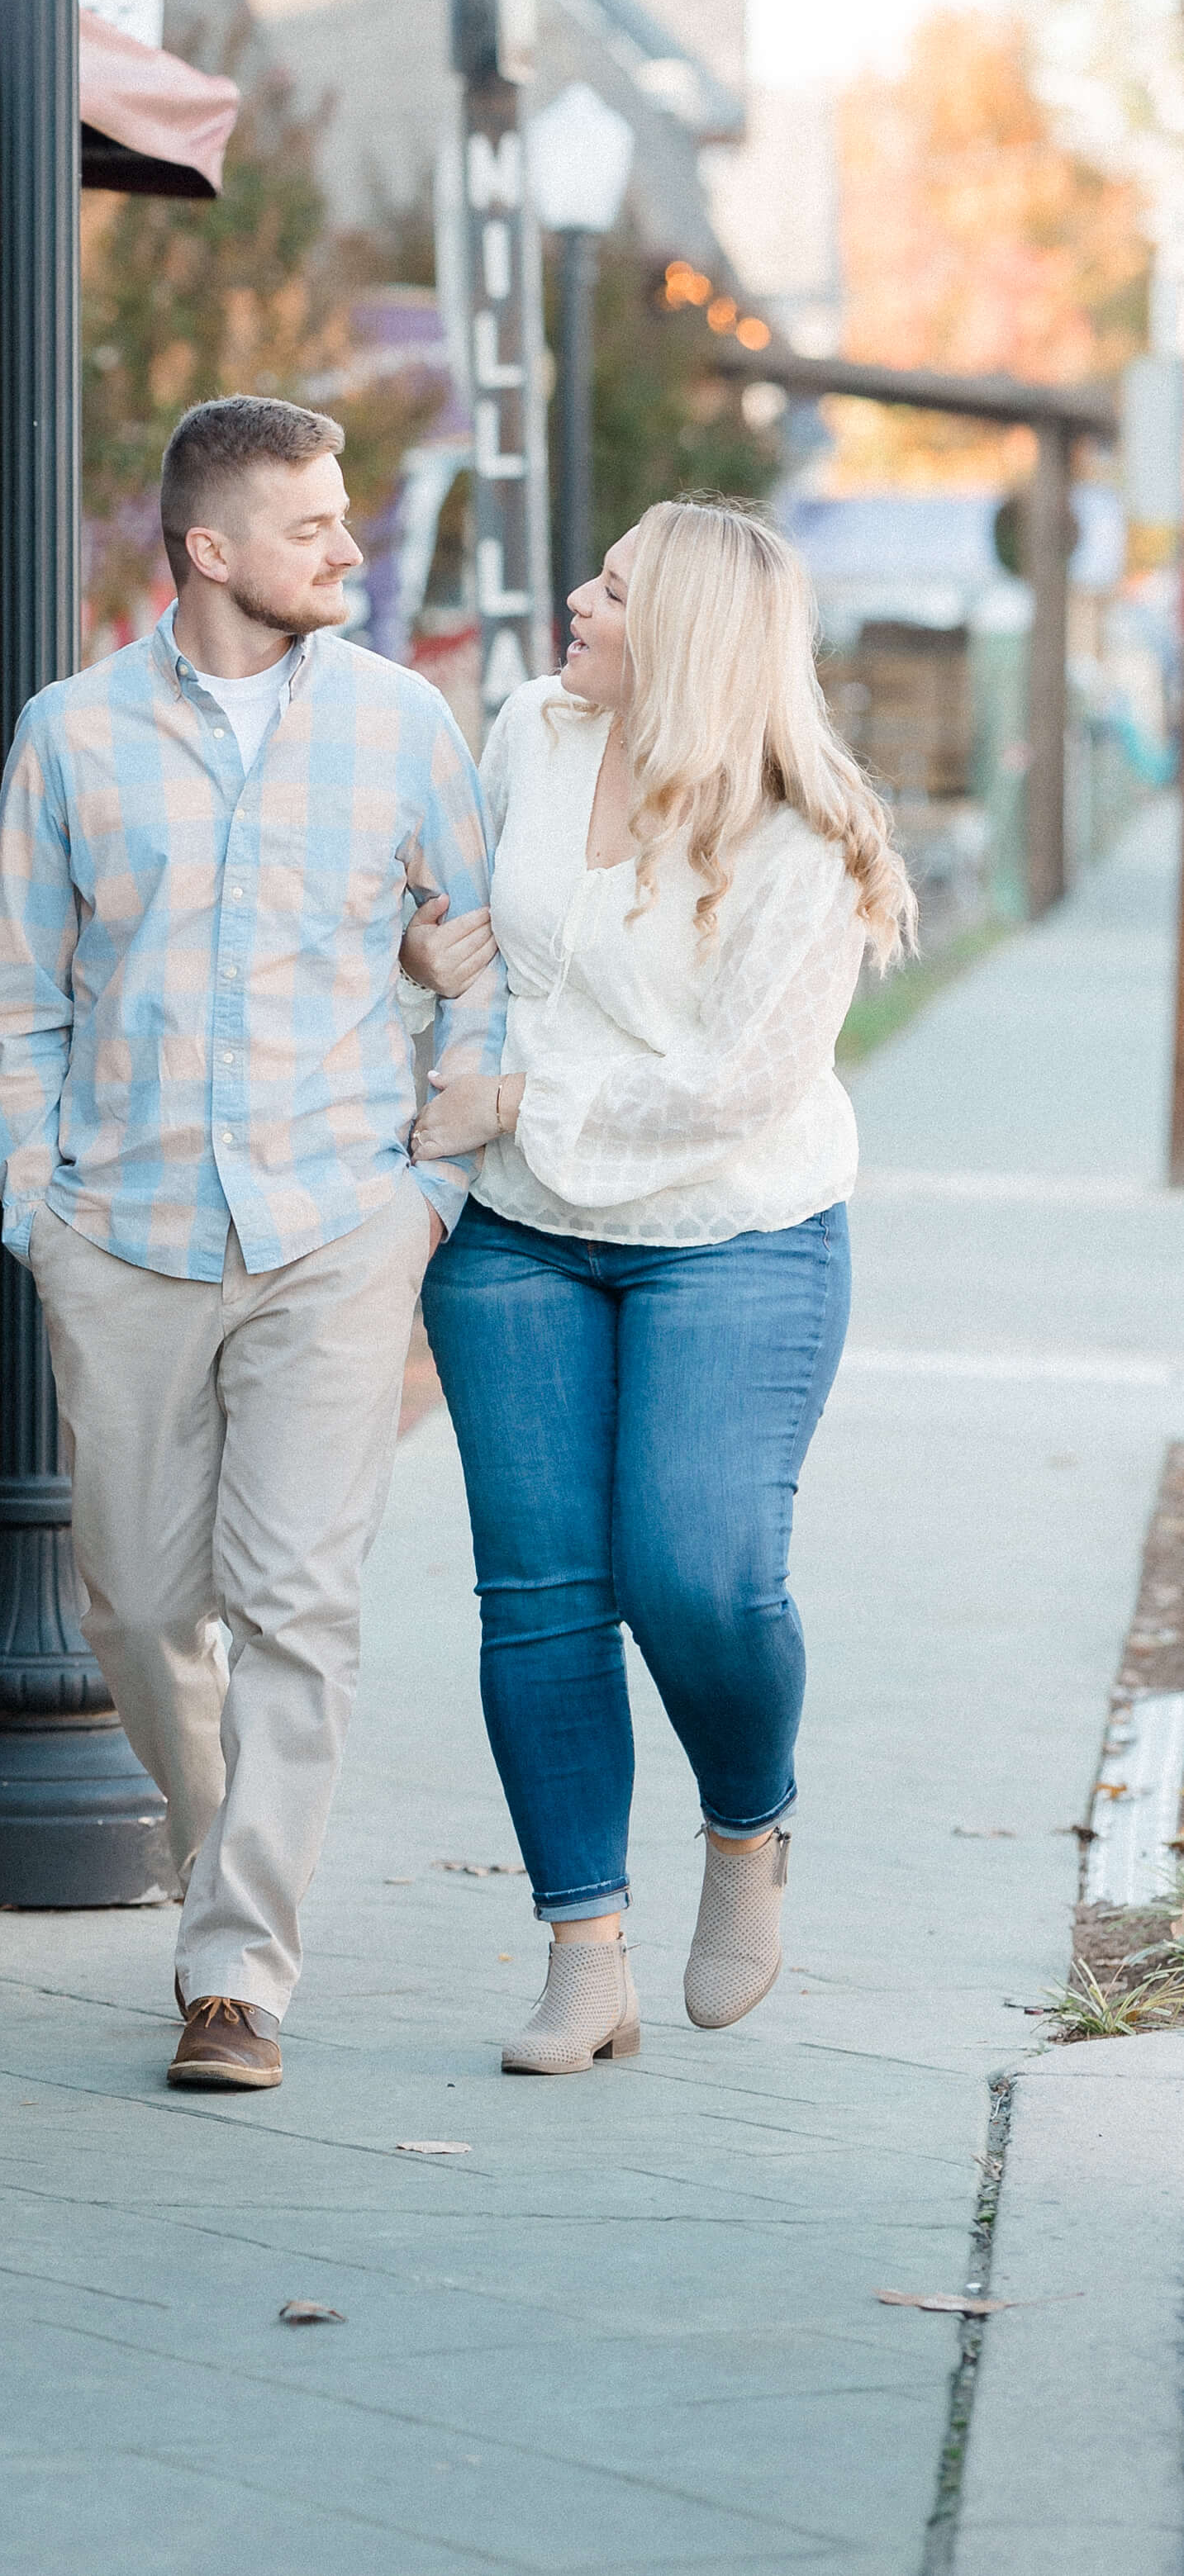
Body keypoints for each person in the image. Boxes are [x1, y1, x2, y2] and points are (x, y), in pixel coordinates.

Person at [0, 394, 503, 2094]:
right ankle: (223, 1870)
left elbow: (484, 967)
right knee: (134, 1609)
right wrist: (34, 1209)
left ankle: (234, 1971)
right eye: (310, 526)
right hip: (119, 1233)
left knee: (296, 1602)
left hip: (331, 1223)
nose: (347, 549)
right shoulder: (68, 735)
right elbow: (12, 1001)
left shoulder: (403, 724)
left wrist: (425, 1185)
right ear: (205, 552)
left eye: (341, 518)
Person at [405, 500, 915, 2078]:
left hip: (734, 1232)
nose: (575, 599)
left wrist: (507, 1105)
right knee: (542, 1596)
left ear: (687, 632)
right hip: (517, 1236)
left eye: (610, 587)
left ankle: (747, 1824)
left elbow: (729, 1090)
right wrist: (438, 971)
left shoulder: (807, 839)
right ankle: (582, 1951)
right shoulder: (534, 736)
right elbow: (497, 958)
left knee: (696, 1573)